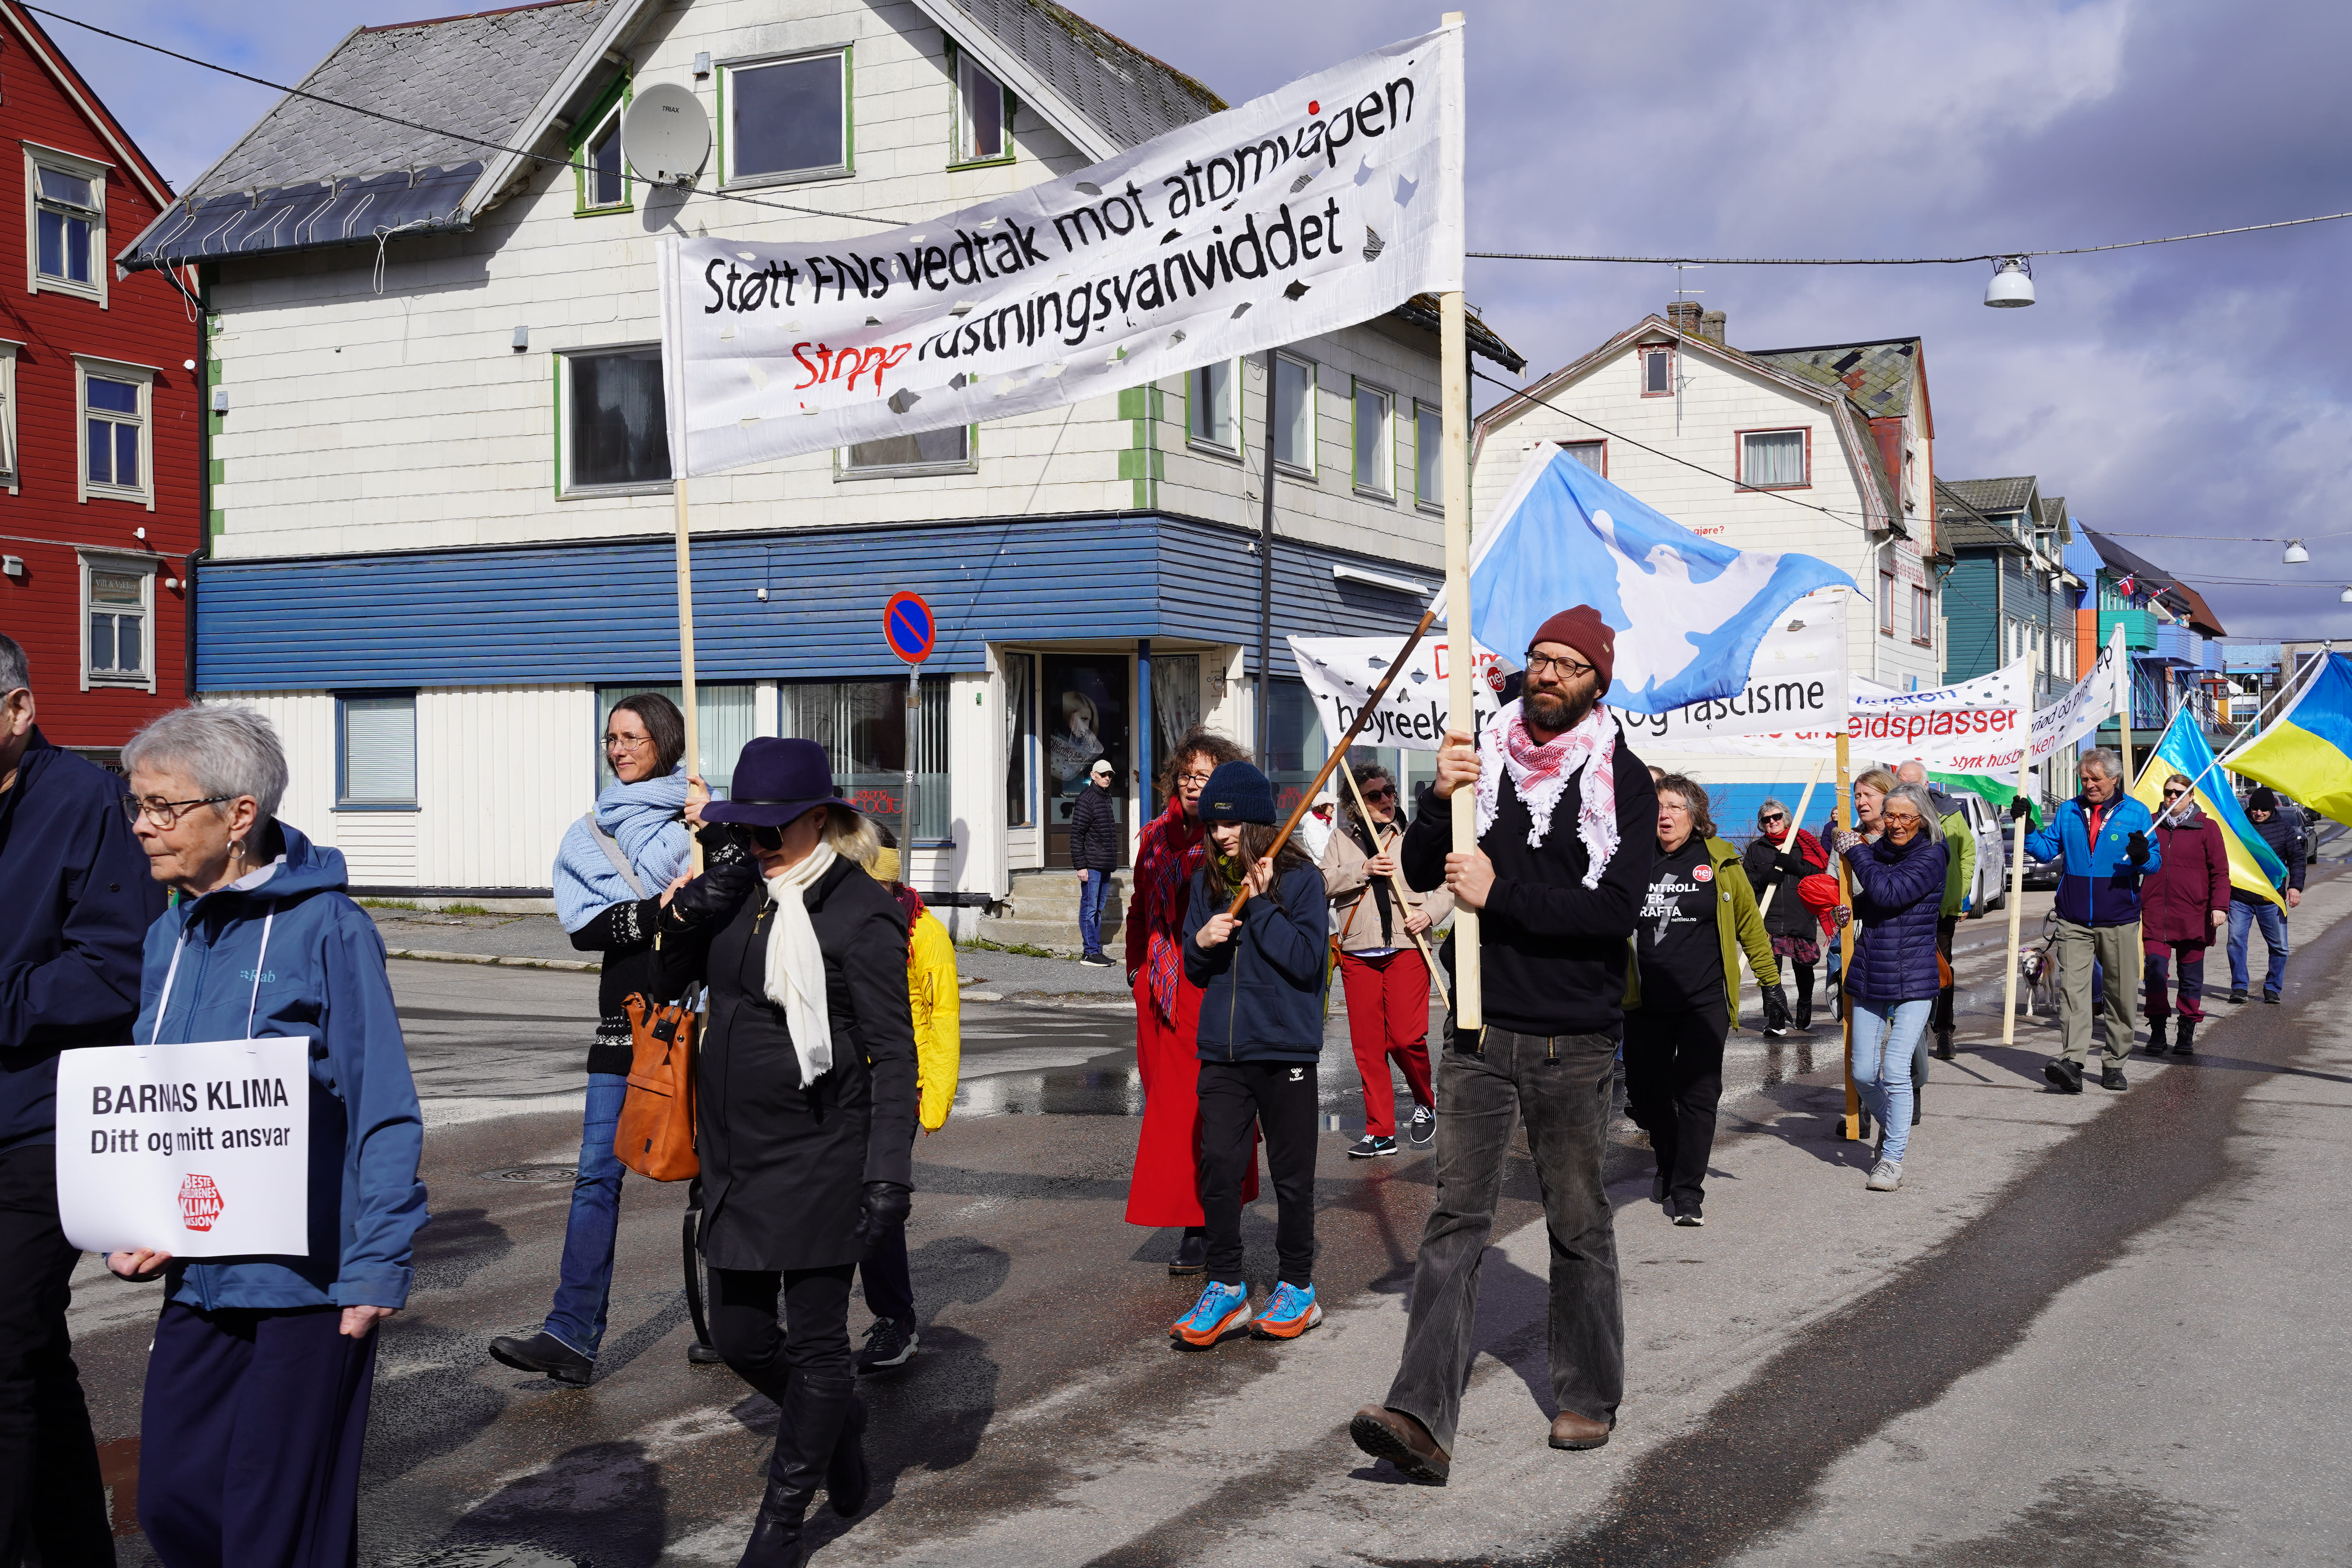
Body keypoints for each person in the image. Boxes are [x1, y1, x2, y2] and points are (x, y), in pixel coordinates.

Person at [106, 704, 426, 1568]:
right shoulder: (168, 936)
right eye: (137, 803)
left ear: (238, 814)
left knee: (277, 1525)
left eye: (163, 806)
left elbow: (384, 1104)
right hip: (201, 1278)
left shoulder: (332, 930)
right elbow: (159, 1111)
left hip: (310, 1285)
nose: (142, 824)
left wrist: (377, 1262)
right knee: (172, 1499)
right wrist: (136, 1217)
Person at [1351, 605, 1656, 1480]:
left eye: (1568, 663)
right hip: (1478, 1029)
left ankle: (1588, 1394)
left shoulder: (1623, 778)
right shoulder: (1482, 755)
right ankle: (1420, 1416)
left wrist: (1499, 894)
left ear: (1597, 681)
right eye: (1539, 658)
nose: (1548, 673)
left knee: (1577, 1221)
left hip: (1574, 1039)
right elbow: (1419, 869)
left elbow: (1612, 912)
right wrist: (1436, 799)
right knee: (1455, 1219)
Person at [651, 737, 917, 1566]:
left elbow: (894, 1054)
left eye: (771, 830)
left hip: (822, 1152)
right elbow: (667, 989)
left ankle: (782, 1522)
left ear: (818, 819)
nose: (757, 843)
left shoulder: (861, 910)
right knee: (737, 1336)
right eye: (745, 828)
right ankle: (836, 1418)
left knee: (816, 1344)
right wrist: (686, 915)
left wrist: (887, 1173)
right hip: (736, 1154)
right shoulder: (741, 893)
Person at [0, 635, 165, 1566]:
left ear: (19, 709)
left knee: (2, 1341)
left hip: (47, 1124)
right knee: (27, 1349)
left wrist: (7, 1001)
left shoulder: (87, 802)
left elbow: (119, 964)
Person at [491, 693, 696, 1387]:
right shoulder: (590, 832)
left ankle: (734, 1326)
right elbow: (585, 928)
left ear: (664, 741)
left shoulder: (700, 817)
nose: (620, 750)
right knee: (595, 1177)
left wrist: (711, 851)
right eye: (612, 738)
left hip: (700, 1020)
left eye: (633, 737)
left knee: (718, 1178)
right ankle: (571, 1336)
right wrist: (654, 913)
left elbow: (732, 901)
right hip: (623, 1027)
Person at [1170, 760, 1331, 1348]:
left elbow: (1308, 962)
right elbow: (1194, 967)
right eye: (1213, 825)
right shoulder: (1206, 883)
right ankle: (1226, 1286)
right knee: (1218, 1167)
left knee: (1292, 1176)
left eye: (1231, 823)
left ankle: (1298, 1287)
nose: (1220, 835)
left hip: (1286, 1050)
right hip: (1223, 1050)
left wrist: (1261, 906)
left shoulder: (1302, 880)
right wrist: (1200, 942)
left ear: (1258, 821)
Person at [1624, 776, 1784, 1226]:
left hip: (1704, 999)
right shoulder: (1632, 858)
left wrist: (1771, 985)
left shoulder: (1721, 861)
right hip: (1645, 1002)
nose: (1665, 815)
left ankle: (1687, 1191)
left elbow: (1750, 925)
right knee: (1647, 1095)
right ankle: (1668, 1157)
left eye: (1675, 806)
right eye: (1659, 806)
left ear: (1695, 816)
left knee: (1699, 1094)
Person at [1124, 727, 1253, 1274]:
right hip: (1159, 990)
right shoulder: (1155, 837)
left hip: (1208, 983)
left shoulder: (1230, 835)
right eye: (1186, 774)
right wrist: (1137, 970)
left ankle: (1203, 1223)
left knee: (1204, 1108)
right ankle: (1192, 1213)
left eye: (1204, 774)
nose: (1193, 783)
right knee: (1168, 1111)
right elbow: (1139, 906)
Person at [853, 842, 959, 1373]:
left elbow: (942, 1018)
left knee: (876, 1199)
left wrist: (933, 1098)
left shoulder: (926, 933)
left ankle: (895, 1318)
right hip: (842, 1081)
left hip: (898, 1087)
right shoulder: (838, 925)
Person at [1323, 761, 1450, 1158]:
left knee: (1405, 1038)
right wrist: (1362, 869)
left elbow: (1449, 880)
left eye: (1389, 792)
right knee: (1368, 1046)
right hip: (1358, 950)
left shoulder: (1414, 835)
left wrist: (1430, 913)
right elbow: (1321, 883)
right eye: (1375, 795)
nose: (1386, 800)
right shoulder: (1341, 838)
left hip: (1407, 946)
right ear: (1355, 804)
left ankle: (1426, 1100)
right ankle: (1380, 1132)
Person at [1833, 782, 1949, 1192]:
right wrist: (1850, 909)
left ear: (1923, 819)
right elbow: (1875, 901)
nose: (1896, 824)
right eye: (1891, 815)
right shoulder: (1881, 849)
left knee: (1897, 1068)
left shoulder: (1933, 854)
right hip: (1871, 969)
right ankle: (1893, 1123)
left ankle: (1892, 1159)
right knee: (1863, 1072)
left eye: (1905, 817)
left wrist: (1857, 850)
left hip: (1915, 975)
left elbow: (1889, 892)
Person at [2021, 748, 2158, 1093]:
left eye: (2096, 779)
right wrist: (2028, 829)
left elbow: (2154, 862)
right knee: (2073, 992)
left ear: (2114, 778)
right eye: (2084, 779)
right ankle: (2073, 1062)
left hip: (2119, 918)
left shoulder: (2137, 812)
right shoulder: (2068, 810)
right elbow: (2046, 850)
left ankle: (2115, 1063)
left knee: (2121, 993)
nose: (2089, 785)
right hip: (2074, 918)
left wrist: (2142, 856)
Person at [2140, 773, 2230, 1057]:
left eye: (2179, 793)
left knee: (2190, 978)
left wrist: (2219, 906)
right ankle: (2157, 1031)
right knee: (2155, 974)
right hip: (2156, 915)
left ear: (2191, 796)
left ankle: (2186, 1030)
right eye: (2168, 792)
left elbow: (2220, 872)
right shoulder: (2149, 825)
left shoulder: (2207, 827)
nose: (2172, 797)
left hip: (2195, 915)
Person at [1895, 762, 1976, 1060]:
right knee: (1905, 970)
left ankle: (1943, 1032)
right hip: (1904, 906)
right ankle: (1910, 1035)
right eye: (1902, 783)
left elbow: (1967, 852)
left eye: (1914, 783)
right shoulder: (1893, 813)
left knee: (1942, 969)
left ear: (1927, 784)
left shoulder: (1949, 812)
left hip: (1942, 907)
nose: (1909, 789)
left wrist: (1960, 891)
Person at [1742, 797, 1828, 1033]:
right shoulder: (1757, 849)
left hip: (1800, 915)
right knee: (1770, 970)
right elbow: (1745, 881)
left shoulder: (1803, 844)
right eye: (1767, 819)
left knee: (1803, 967)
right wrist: (1764, 877)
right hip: (1768, 918)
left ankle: (1805, 1008)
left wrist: (1795, 866)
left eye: (1777, 817)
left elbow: (1820, 874)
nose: (1772, 822)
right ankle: (1776, 1020)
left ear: (1786, 818)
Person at [2227, 787, 2305, 1005]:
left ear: (2272, 809)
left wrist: (2296, 887)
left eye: (2264, 809)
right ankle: (2240, 987)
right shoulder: (2238, 827)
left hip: (2271, 899)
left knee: (2280, 947)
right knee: (2235, 942)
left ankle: (2272, 988)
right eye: (2255, 809)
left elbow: (2297, 859)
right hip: (2240, 898)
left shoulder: (2284, 830)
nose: (2258, 813)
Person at [1070, 757, 1119, 967]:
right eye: (1103, 774)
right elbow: (1077, 835)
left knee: (1097, 909)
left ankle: (1095, 951)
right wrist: (1081, 866)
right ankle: (1090, 953)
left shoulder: (1105, 798)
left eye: (1110, 775)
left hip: (1104, 863)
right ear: (1093, 776)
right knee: (1090, 908)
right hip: (1091, 864)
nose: (1107, 778)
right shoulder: (1086, 799)